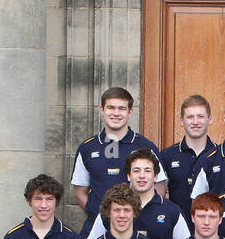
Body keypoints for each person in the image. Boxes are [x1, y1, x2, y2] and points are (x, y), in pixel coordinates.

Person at [71, 86, 165, 218]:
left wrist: (141, 216)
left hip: (136, 226)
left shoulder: (146, 146)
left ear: (130, 112)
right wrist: (98, 217)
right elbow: (79, 192)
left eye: (122, 108)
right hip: (98, 228)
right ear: (102, 110)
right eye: (111, 108)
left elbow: (160, 188)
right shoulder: (87, 148)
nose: (116, 113)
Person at [84, 149, 190, 239]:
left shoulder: (172, 212)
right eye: (136, 170)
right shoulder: (111, 209)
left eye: (147, 171)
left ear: (156, 176)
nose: (142, 176)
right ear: (129, 176)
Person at [159, 94, 214, 219]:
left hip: (212, 230)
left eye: (200, 116)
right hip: (176, 229)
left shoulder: (219, 156)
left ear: (210, 119)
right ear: (181, 121)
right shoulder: (167, 156)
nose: (195, 122)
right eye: (190, 117)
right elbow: (159, 196)